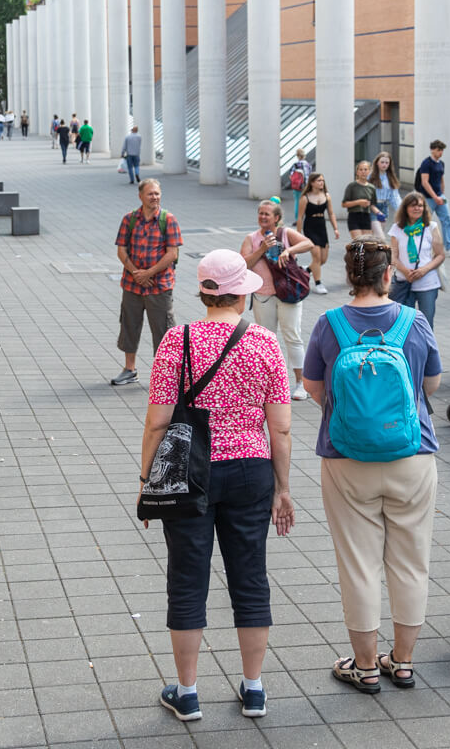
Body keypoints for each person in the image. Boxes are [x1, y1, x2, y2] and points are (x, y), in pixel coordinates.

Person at [140, 250, 295, 720]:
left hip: (190, 471)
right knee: (250, 576)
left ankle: (187, 693)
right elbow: (281, 427)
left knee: (187, 580)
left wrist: (148, 482)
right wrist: (282, 488)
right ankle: (254, 688)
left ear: (205, 292)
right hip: (251, 468)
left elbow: (157, 422)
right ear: (242, 294)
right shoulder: (264, 343)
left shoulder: (177, 340)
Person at [302, 239, 444, 695]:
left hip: (346, 459)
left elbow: (313, 387)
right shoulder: (414, 321)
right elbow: (431, 384)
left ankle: (364, 666)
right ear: (388, 275)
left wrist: (351, 417)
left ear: (349, 276)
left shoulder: (329, 323)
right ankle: (402, 662)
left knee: (358, 565)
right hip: (411, 455)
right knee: (411, 562)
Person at [243, 198, 315, 399]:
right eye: (260, 213)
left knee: (292, 335)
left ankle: (301, 384)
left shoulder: (285, 233)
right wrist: (261, 249)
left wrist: (289, 250)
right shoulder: (251, 238)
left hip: (288, 293)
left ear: (276, 218)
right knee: (266, 340)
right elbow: (244, 264)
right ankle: (268, 383)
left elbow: (308, 244)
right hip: (263, 295)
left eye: (267, 214)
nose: (262, 217)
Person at [114, 180, 183, 386]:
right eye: (150, 194)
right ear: (140, 196)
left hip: (159, 285)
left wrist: (148, 273)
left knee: (163, 330)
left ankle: (165, 375)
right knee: (129, 325)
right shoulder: (129, 219)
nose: (155, 197)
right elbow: (121, 250)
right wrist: (136, 273)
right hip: (132, 284)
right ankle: (129, 369)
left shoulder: (168, 220)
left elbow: (172, 253)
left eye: (157, 194)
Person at [388, 193, 448, 323]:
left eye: (420, 206)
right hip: (404, 282)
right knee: (404, 323)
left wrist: (424, 270)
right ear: (405, 208)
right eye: (413, 205)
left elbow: (440, 255)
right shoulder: (397, 229)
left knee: (426, 323)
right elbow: (393, 256)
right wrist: (405, 271)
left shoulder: (431, 227)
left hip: (427, 283)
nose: (417, 208)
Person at [296, 172, 335, 294]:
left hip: (321, 227)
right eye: (319, 180)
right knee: (317, 257)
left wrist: (336, 228)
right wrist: (298, 234)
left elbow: (331, 213)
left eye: (322, 180)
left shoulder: (327, 196)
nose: (321, 183)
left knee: (323, 259)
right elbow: (300, 217)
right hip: (310, 227)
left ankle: (307, 270)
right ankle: (318, 283)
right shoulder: (305, 198)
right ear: (312, 183)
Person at [415, 140, 450, 248]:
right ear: (432, 150)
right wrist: (435, 197)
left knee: (446, 219)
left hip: (439, 196)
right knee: (424, 220)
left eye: (442, 150)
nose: (440, 152)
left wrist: (442, 194)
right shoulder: (426, 163)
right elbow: (425, 182)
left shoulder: (441, 164)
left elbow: (441, 179)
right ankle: (419, 242)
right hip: (428, 198)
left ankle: (449, 245)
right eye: (438, 150)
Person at [340, 159, 380, 242]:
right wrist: (358, 202)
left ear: (369, 171)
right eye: (361, 170)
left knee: (366, 243)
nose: (363, 172)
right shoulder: (352, 186)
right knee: (358, 242)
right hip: (354, 216)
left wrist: (379, 213)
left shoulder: (371, 188)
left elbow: (372, 204)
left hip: (366, 216)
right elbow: (344, 204)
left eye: (365, 169)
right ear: (357, 172)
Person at [371, 151, 402, 236]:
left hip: (384, 207)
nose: (384, 165)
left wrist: (402, 210)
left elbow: (395, 197)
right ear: (377, 163)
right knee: (380, 236)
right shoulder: (370, 176)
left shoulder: (390, 178)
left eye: (386, 163)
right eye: (382, 162)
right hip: (372, 207)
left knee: (377, 237)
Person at [287, 149, 313, 218]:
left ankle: (298, 219)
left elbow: (291, 175)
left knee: (297, 202)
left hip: (297, 187)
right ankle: (306, 218)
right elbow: (310, 175)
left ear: (297, 156)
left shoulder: (295, 165)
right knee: (307, 202)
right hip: (307, 186)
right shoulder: (308, 165)